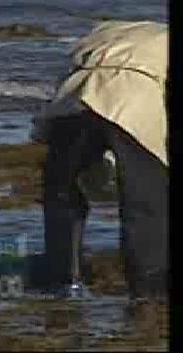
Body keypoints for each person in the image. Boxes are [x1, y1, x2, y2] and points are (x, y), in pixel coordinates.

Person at [32, 20, 167, 301]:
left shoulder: (106, 31)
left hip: (75, 95)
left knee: (62, 190)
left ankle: (63, 279)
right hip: (134, 94)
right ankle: (148, 285)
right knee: (144, 199)